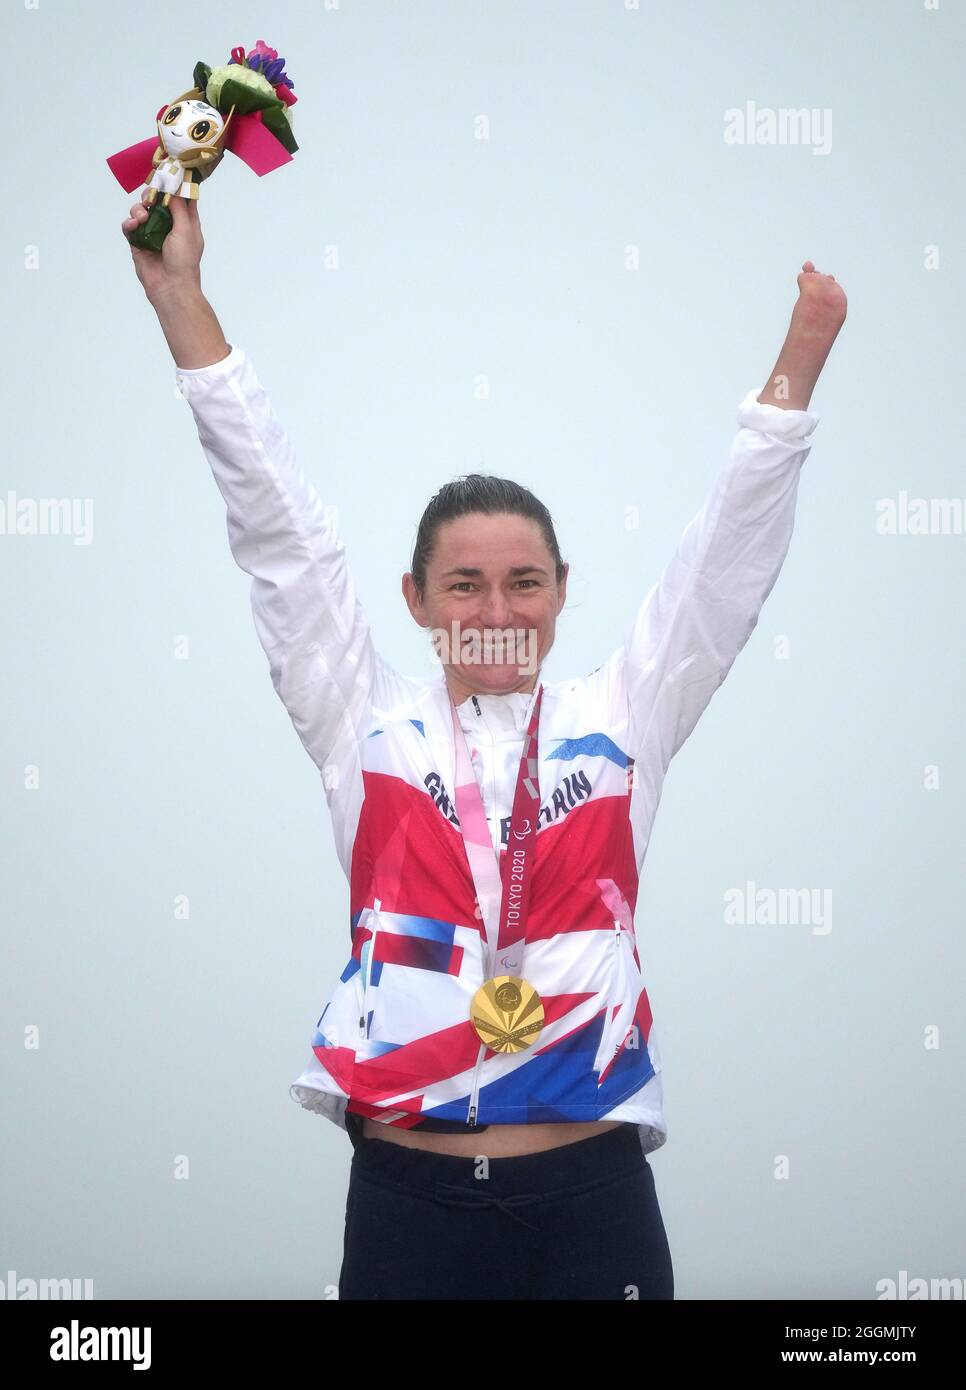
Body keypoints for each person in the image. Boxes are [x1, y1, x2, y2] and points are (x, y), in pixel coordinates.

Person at [122, 191, 847, 1300]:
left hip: (591, 1200)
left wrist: (799, 362)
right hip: (412, 1202)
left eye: (524, 579)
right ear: (416, 598)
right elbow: (275, 524)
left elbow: (725, 567)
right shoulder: (358, 714)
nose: (495, 604)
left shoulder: (625, 715)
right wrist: (182, 299)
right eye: (464, 581)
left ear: (562, 594)